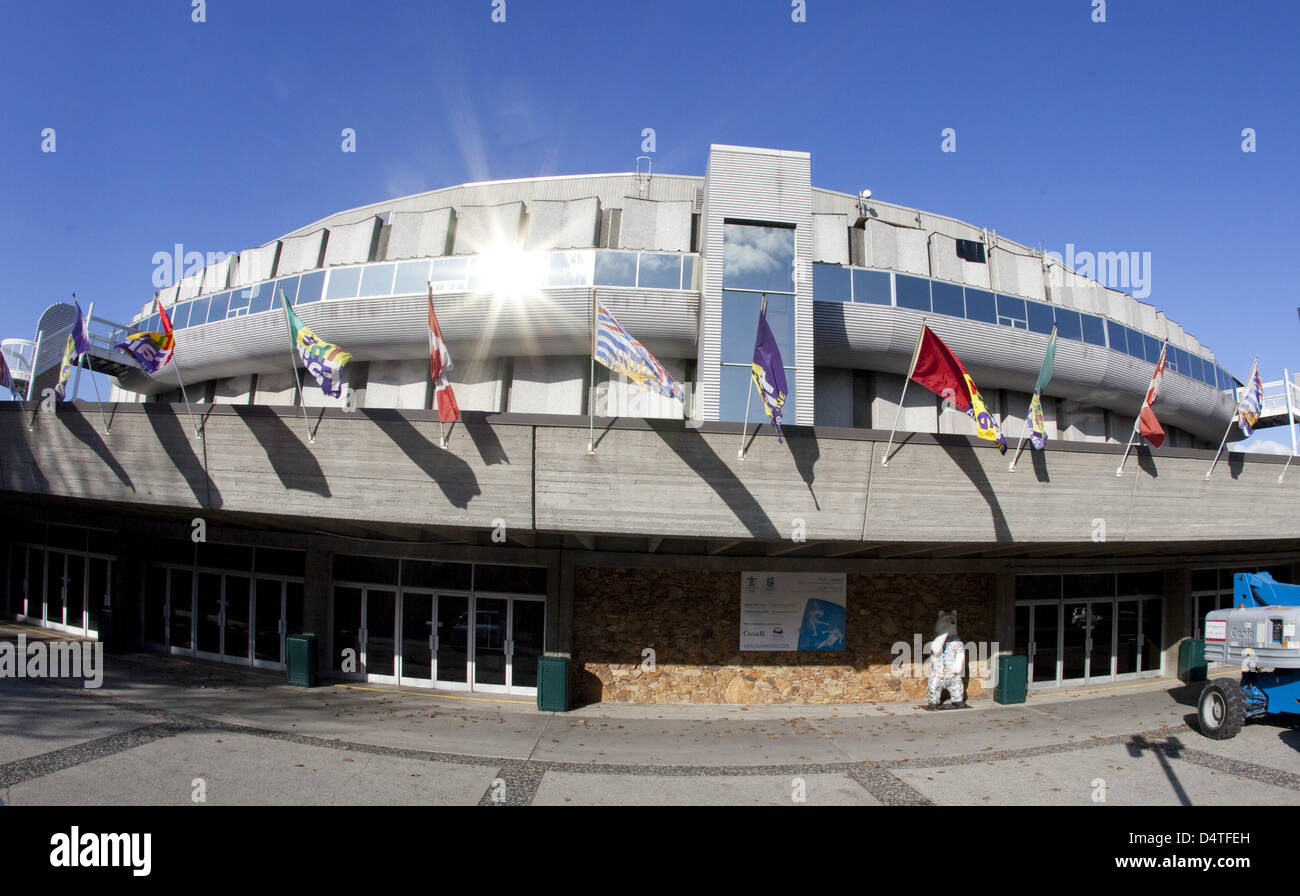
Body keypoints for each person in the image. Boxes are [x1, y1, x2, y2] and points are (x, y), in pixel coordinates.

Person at [925, 610, 968, 710]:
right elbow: (936, 649)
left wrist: (958, 663)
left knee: (958, 687)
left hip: (952, 674)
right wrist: (944, 633)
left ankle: (957, 700)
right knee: (934, 687)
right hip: (937, 673)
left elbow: (960, 651)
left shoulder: (956, 641)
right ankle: (933, 702)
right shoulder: (935, 640)